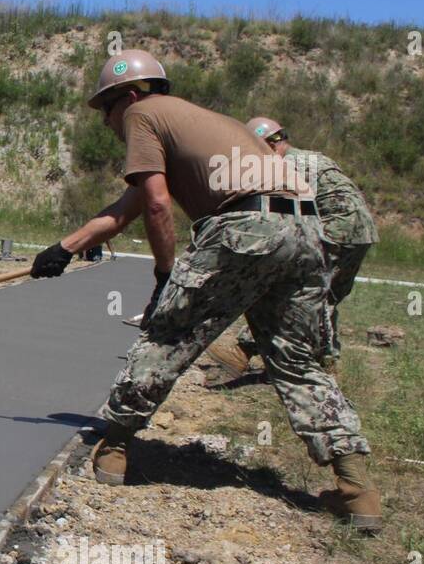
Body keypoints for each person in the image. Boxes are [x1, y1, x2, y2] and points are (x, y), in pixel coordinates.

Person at [29, 50, 381, 533]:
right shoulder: (203, 123)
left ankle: (114, 448)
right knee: (296, 361)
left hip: (242, 229)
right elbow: (126, 207)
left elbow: (156, 206)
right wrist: (64, 249)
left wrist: (165, 274)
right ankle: (357, 490)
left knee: (170, 335)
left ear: (128, 95)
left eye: (106, 110)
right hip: (304, 233)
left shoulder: (142, 114)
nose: (108, 123)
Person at [208, 117, 379, 375]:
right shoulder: (312, 158)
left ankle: (245, 350)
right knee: (325, 295)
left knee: (292, 289)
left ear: (267, 144)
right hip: (359, 232)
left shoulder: (285, 166)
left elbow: (280, 215)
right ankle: (326, 361)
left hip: (337, 231)